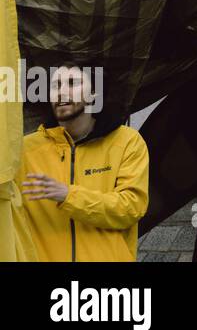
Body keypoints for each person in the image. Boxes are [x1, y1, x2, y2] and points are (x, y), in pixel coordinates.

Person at [20, 63, 149, 261]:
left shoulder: (127, 141)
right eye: (55, 86)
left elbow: (131, 208)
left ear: (94, 94)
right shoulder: (24, 150)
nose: (62, 92)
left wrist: (68, 195)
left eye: (72, 83)